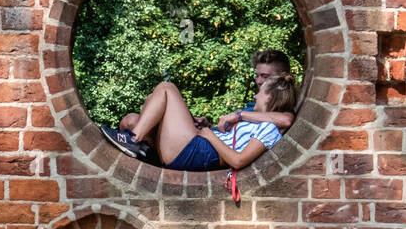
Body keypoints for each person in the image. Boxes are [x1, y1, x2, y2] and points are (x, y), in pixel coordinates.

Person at [104, 72, 297, 174]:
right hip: (198, 145)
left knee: (166, 88)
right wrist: (207, 126)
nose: (255, 94)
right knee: (132, 119)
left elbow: (238, 160)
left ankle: (133, 140)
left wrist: (209, 134)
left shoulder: (269, 128)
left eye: (261, 92)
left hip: (200, 151)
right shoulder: (254, 118)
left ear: (270, 97)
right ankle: (139, 146)